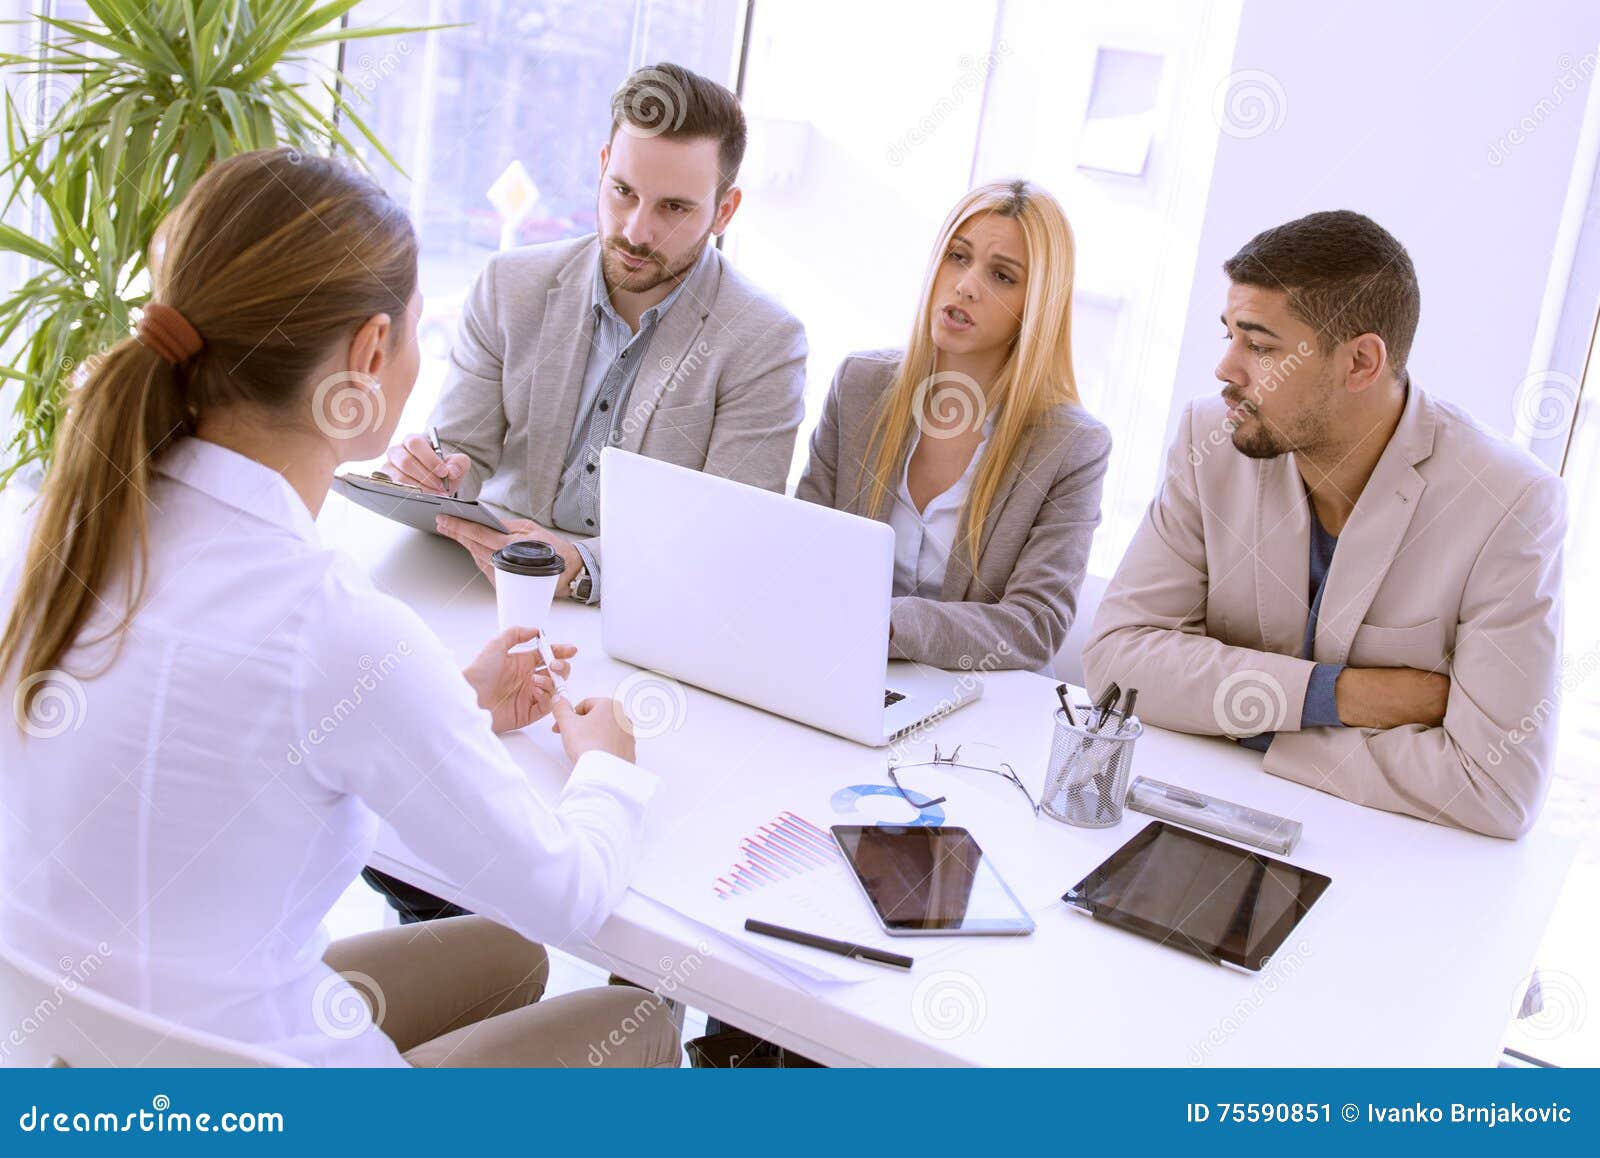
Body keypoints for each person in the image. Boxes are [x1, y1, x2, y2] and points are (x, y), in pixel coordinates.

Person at [0, 148, 678, 1067]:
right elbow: (566, 897)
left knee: (500, 957)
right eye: (412, 336)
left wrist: (444, 705)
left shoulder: (47, 531)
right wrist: (607, 769)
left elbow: (234, 756)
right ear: (366, 355)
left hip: (58, 1066)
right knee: (628, 1022)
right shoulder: (332, 629)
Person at [1083, 210, 1565, 839]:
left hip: (1382, 860)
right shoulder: (1212, 438)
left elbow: (1496, 786)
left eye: (1259, 346)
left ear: (1362, 362)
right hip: (1188, 818)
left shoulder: (1510, 502)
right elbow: (1119, 665)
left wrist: (1244, 724)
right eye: (1227, 335)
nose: (1226, 369)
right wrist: (1339, 697)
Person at [382, 61, 807, 606]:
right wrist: (438, 476)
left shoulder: (764, 341)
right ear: (603, 166)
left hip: (645, 611)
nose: (636, 229)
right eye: (623, 191)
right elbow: (462, 449)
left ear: (725, 211)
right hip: (485, 584)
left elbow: (729, 537)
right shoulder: (509, 284)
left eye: (674, 207)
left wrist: (586, 567)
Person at [796, 180, 1111, 672]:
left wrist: (892, 625)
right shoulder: (861, 384)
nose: (966, 285)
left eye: (1002, 276)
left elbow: (1033, 627)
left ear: (1037, 305)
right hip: (837, 665)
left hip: (977, 701)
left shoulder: (1071, 446)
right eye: (957, 256)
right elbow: (804, 546)